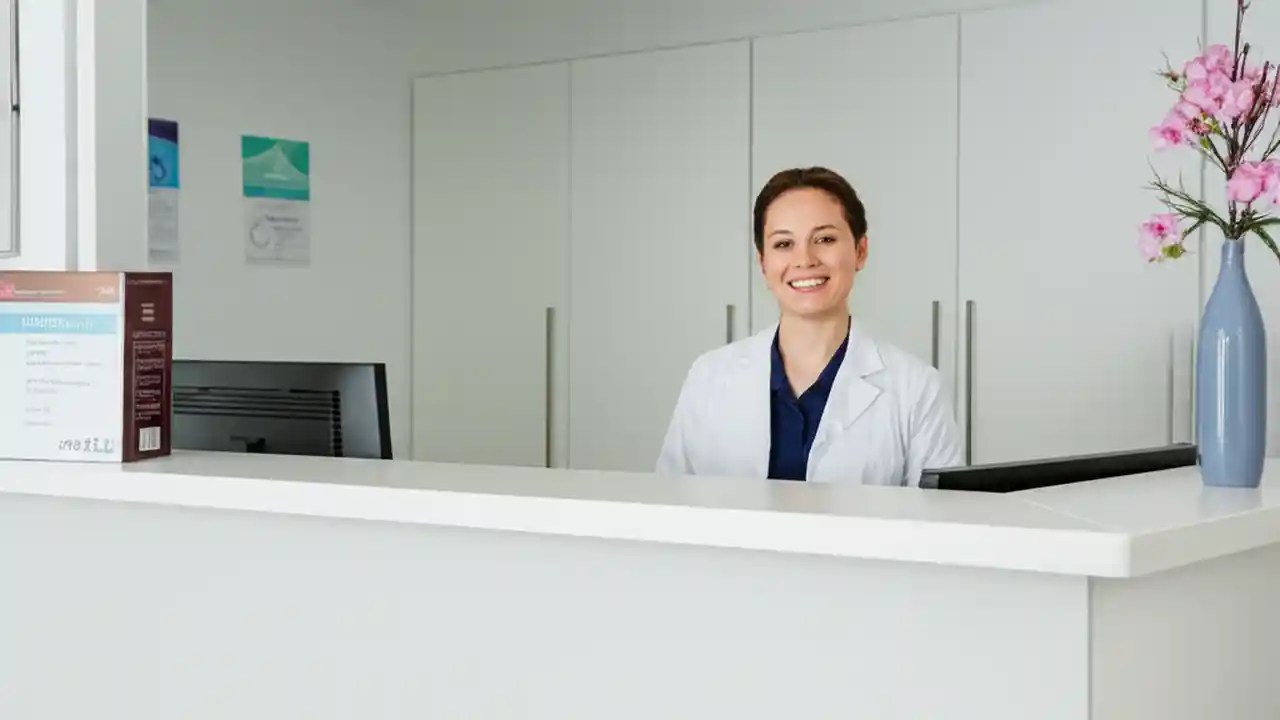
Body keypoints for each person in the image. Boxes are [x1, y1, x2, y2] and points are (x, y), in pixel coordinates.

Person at [656, 167, 963, 485]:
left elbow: (940, 522)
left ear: (860, 251)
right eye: (783, 244)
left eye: (825, 239)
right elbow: (669, 505)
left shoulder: (916, 388)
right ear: (763, 263)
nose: (805, 260)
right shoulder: (709, 376)